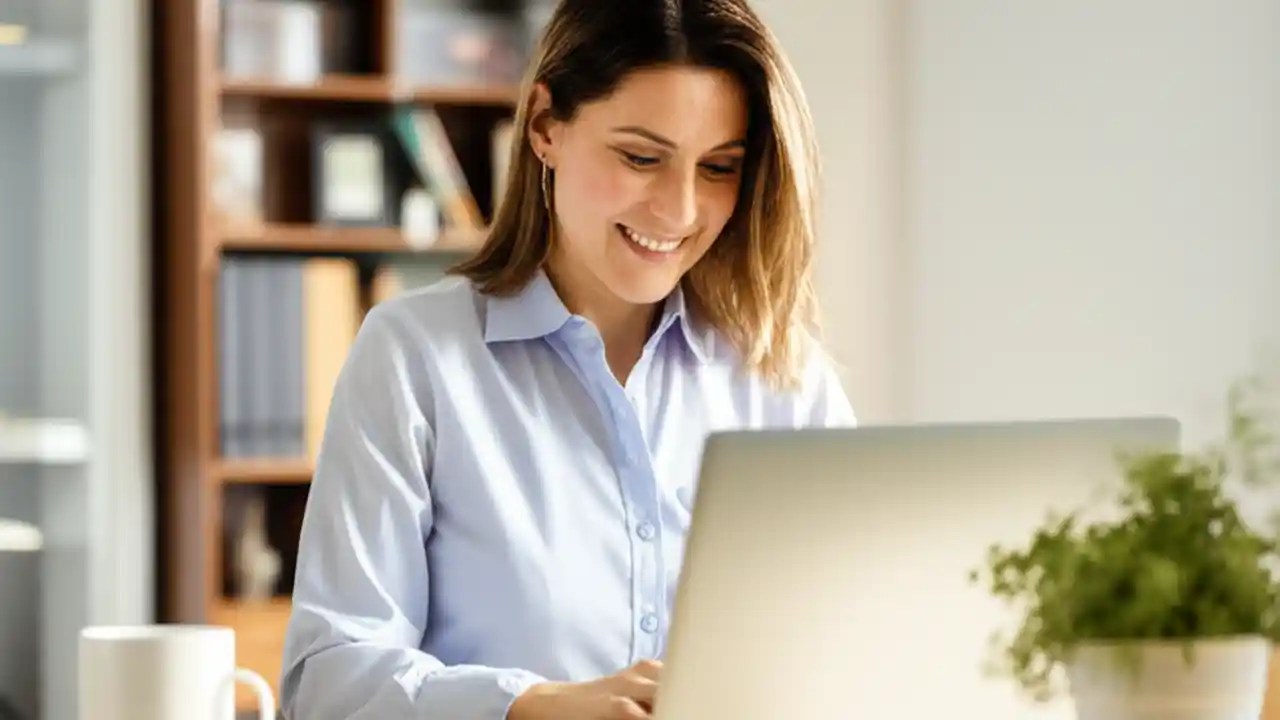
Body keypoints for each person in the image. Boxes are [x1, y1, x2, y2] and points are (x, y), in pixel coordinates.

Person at [279, 0, 855, 718]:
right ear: (546, 126)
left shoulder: (785, 380)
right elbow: (329, 683)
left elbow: (851, 651)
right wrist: (533, 707)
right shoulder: (415, 358)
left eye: (719, 167)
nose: (679, 211)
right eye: (641, 157)